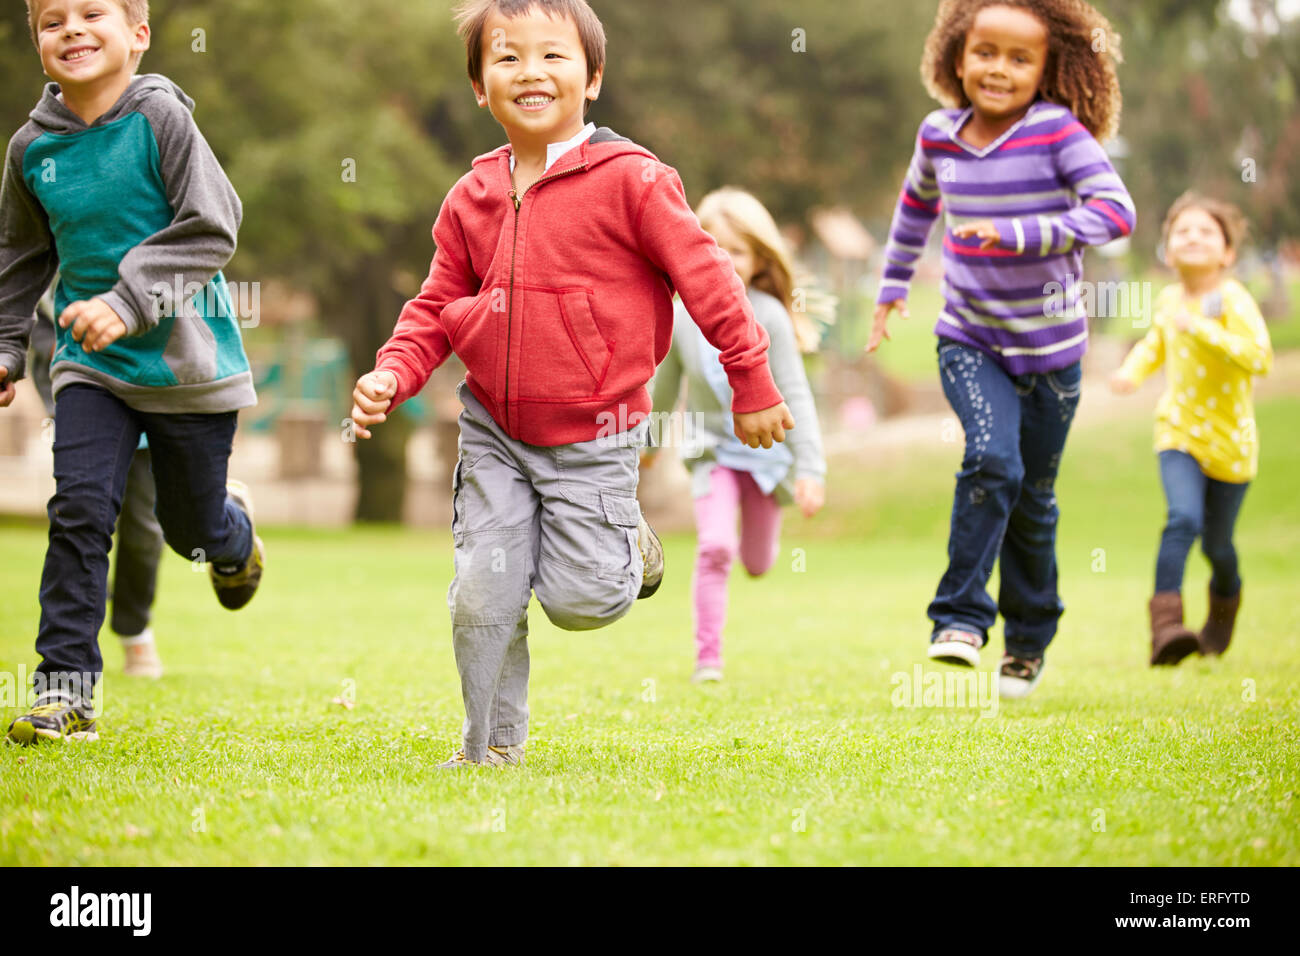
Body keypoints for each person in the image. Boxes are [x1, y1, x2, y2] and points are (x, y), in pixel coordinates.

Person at [351, 0, 793, 768]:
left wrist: (750, 379)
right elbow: (434, 301)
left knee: (582, 602)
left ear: (592, 79)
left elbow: (710, 283)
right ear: (480, 88)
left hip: (597, 433)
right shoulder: (472, 196)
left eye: (553, 56)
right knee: (482, 593)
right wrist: (394, 369)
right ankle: (489, 744)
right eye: (507, 57)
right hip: (493, 428)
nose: (530, 71)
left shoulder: (635, 181)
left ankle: (630, 550)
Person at [0, 0, 264, 744]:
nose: (73, 30)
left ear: (137, 35)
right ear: (38, 42)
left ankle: (232, 535)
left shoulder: (161, 120)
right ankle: (65, 693)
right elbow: (19, 258)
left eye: (93, 14)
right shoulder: (29, 149)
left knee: (190, 533)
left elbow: (215, 221)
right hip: (92, 368)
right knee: (80, 509)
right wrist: (7, 346)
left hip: (188, 368)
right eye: (53, 21)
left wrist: (129, 297)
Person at [869, 0, 1135, 698]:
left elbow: (1115, 211)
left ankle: (1027, 642)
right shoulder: (939, 136)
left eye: (1021, 58)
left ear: (1049, 69)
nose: (999, 68)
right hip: (970, 338)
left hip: (1053, 355)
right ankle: (957, 620)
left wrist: (1023, 233)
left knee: (1033, 499)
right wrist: (891, 287)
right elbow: (915, 209)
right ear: (957, 56)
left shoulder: (1057, 133)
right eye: (986, 51)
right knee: (991, 460)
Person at [647, 187, 826, 684]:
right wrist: (647, 446)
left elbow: (796, 393)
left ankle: (761, 544)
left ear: (759, 259)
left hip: (769, 460)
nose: (725, 260)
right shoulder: (681, 317)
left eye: (739, 251)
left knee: (757, 561)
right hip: (713, 456)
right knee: (715, 548)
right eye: (714, 246)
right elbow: (663, 390)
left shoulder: (768, 315)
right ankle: (708, 659)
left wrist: (810, 468)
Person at [1110, 194, 1272, 665]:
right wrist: (1131, 373)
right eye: (1182, 231)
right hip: (1178, 434)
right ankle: (1166, 630)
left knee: (1218, 546)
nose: (1193, 238)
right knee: (1182, 519)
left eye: (1206, 231)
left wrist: (1199, 327)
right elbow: (1155, 344)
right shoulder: (1167, 300)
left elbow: (1258, 356)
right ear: (1168, 249)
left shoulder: (1232, 299)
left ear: (1227, 253)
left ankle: (1221, 617)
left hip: (1232, 448)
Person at [31, 290, 166, 678]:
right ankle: (67, 669)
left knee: (143, 526)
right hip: (75, 371)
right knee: (80, 511)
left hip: (149, 376)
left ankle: (134, 628)